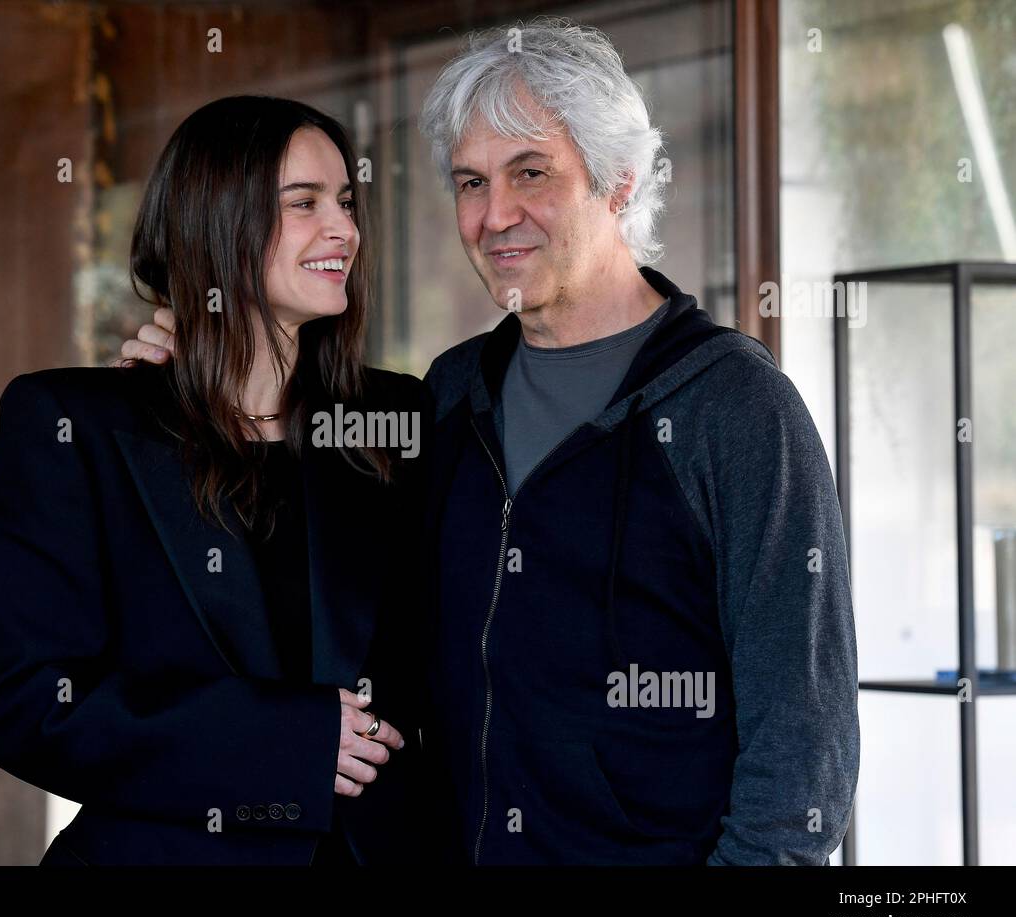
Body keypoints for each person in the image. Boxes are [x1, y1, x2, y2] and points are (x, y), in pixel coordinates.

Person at [123, 18, 860, 865]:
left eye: (531, 173)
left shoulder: (734, 407)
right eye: (471, 182)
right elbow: (286, 569)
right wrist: (192, 370)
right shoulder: (445, 396)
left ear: (619, 181)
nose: (495, 215)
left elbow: (805, 757)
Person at [0, 95, 433, 865]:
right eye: (305, 204)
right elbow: (31, 707)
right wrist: (288, 740)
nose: (346, 231)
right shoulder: (72, 423)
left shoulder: (400, 418)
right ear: (217, 221)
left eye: (347, 204)